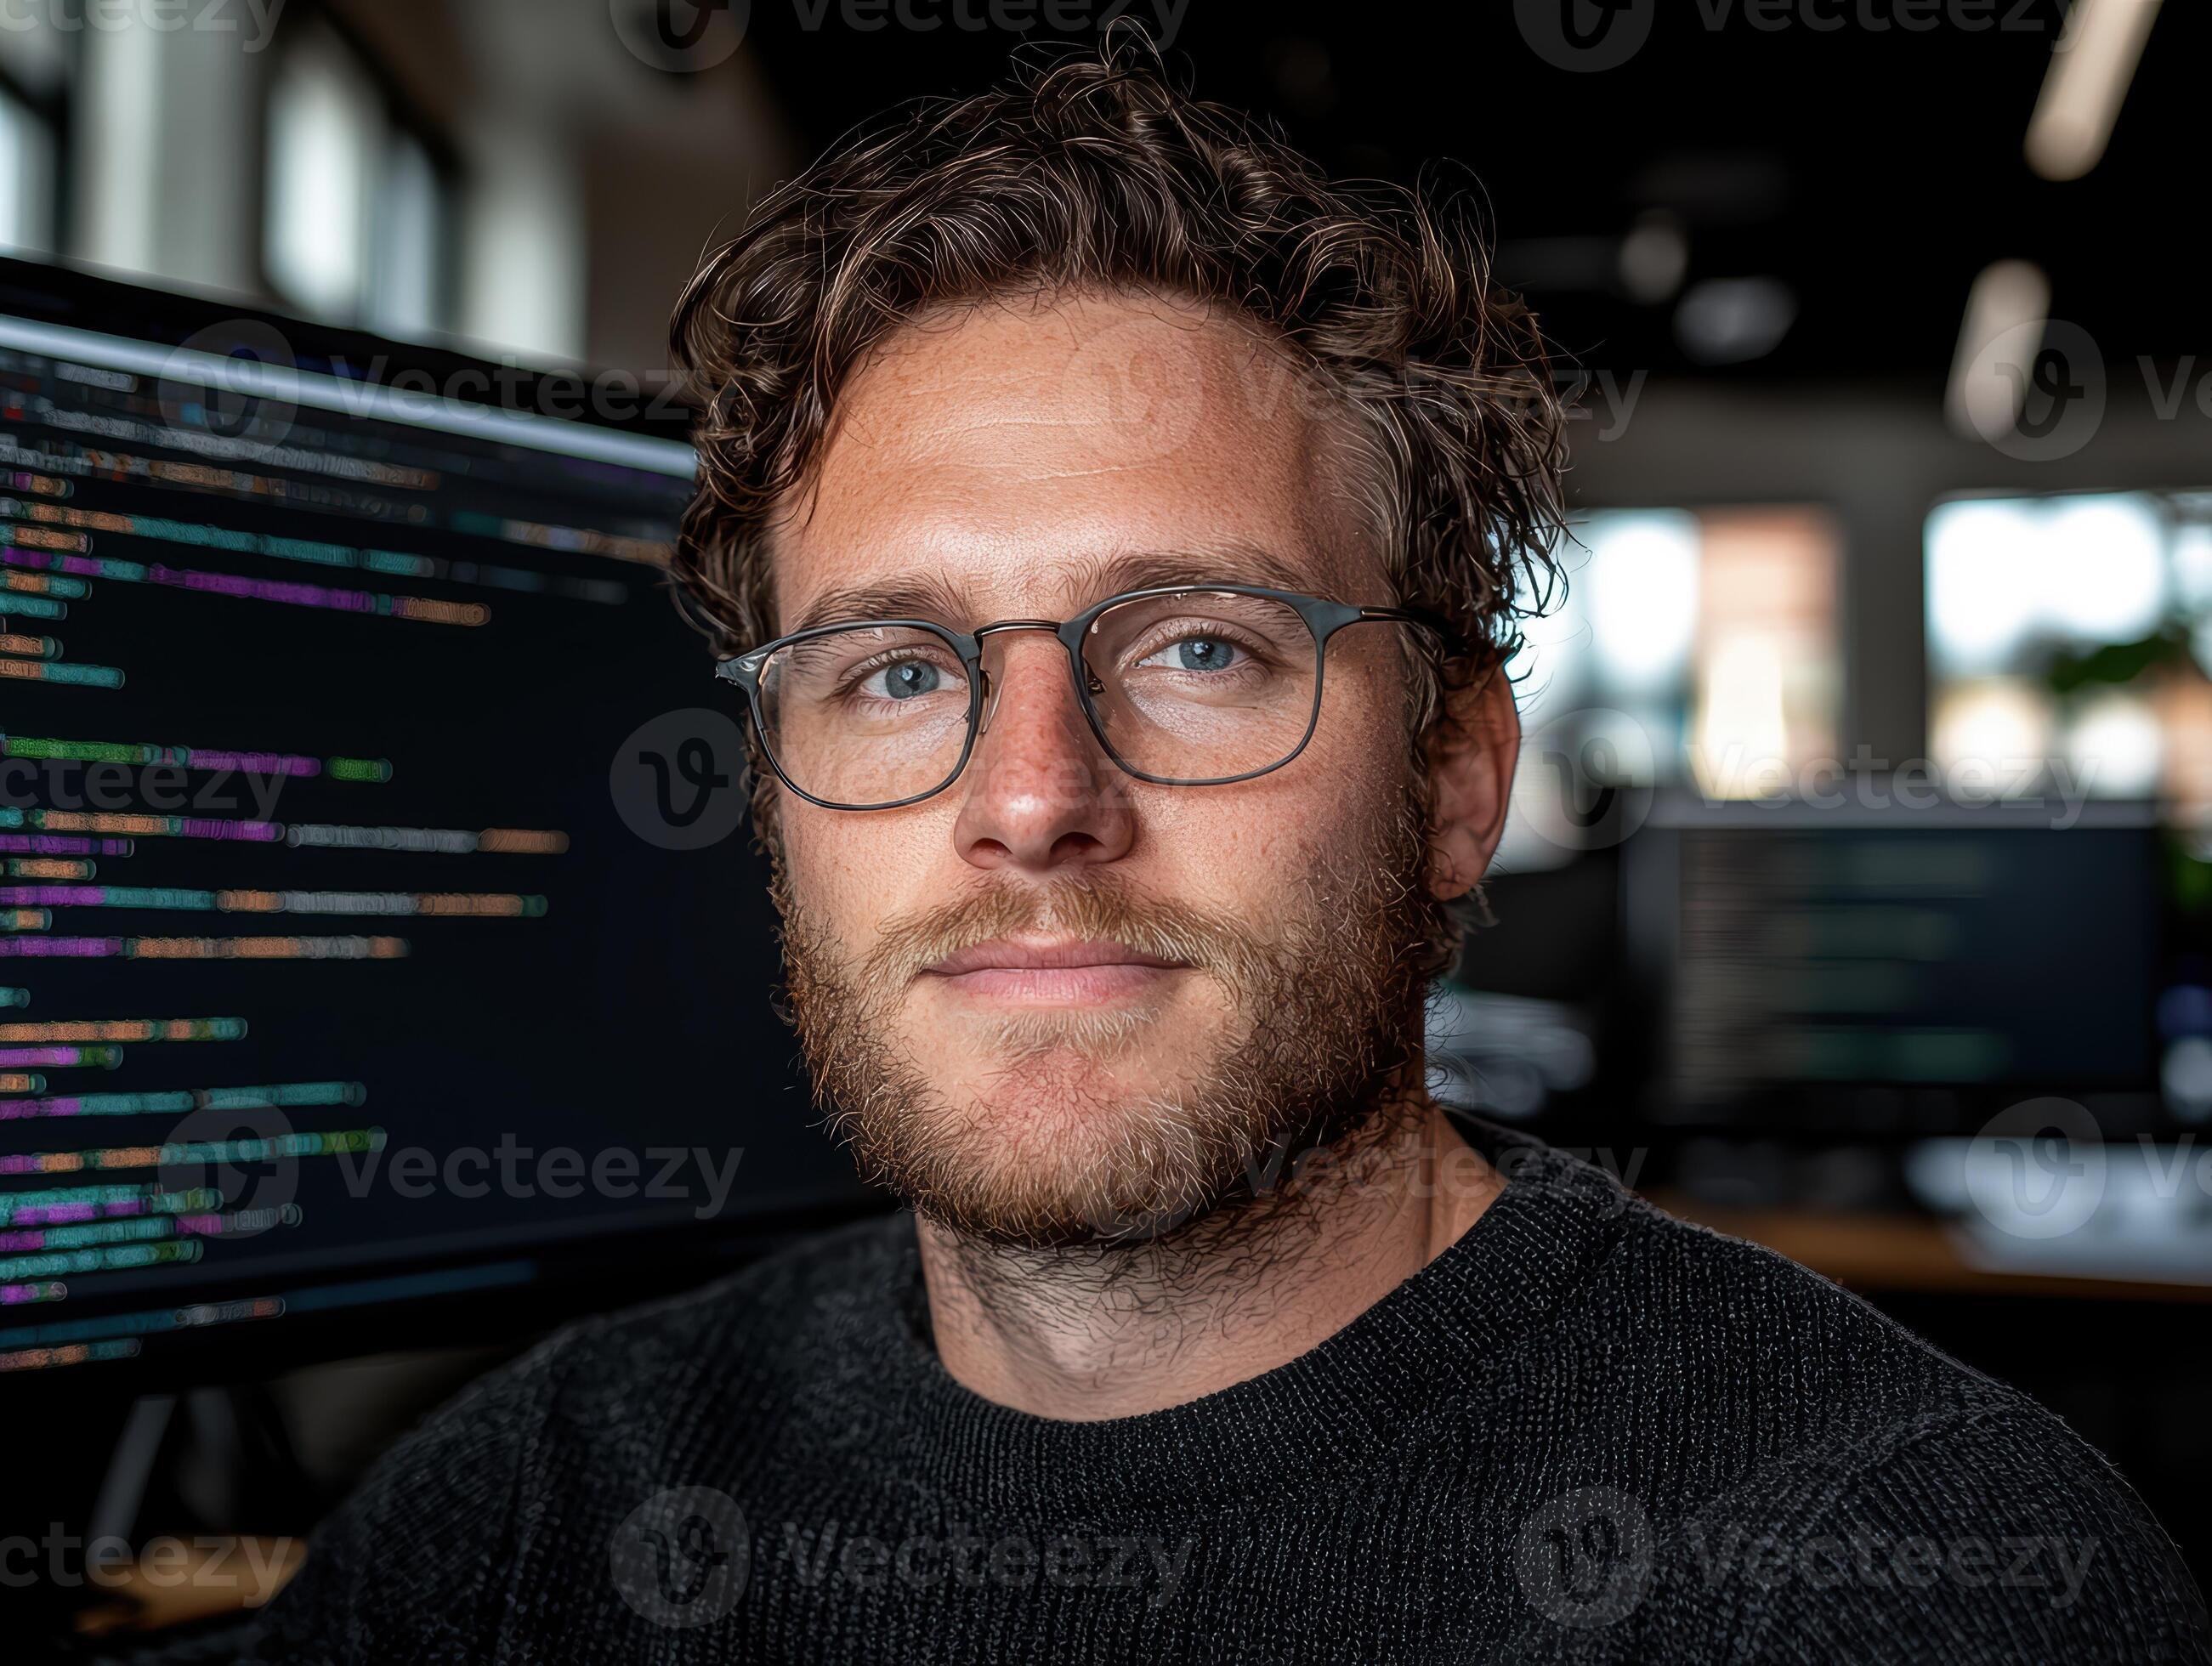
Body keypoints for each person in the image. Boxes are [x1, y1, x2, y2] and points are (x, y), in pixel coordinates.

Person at [243, 35, 2208, 1664]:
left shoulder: (1898, 1582)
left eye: (1195, 646)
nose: (1028, 797)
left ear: (1455, 779)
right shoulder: (507, 1537)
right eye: (896, 668)